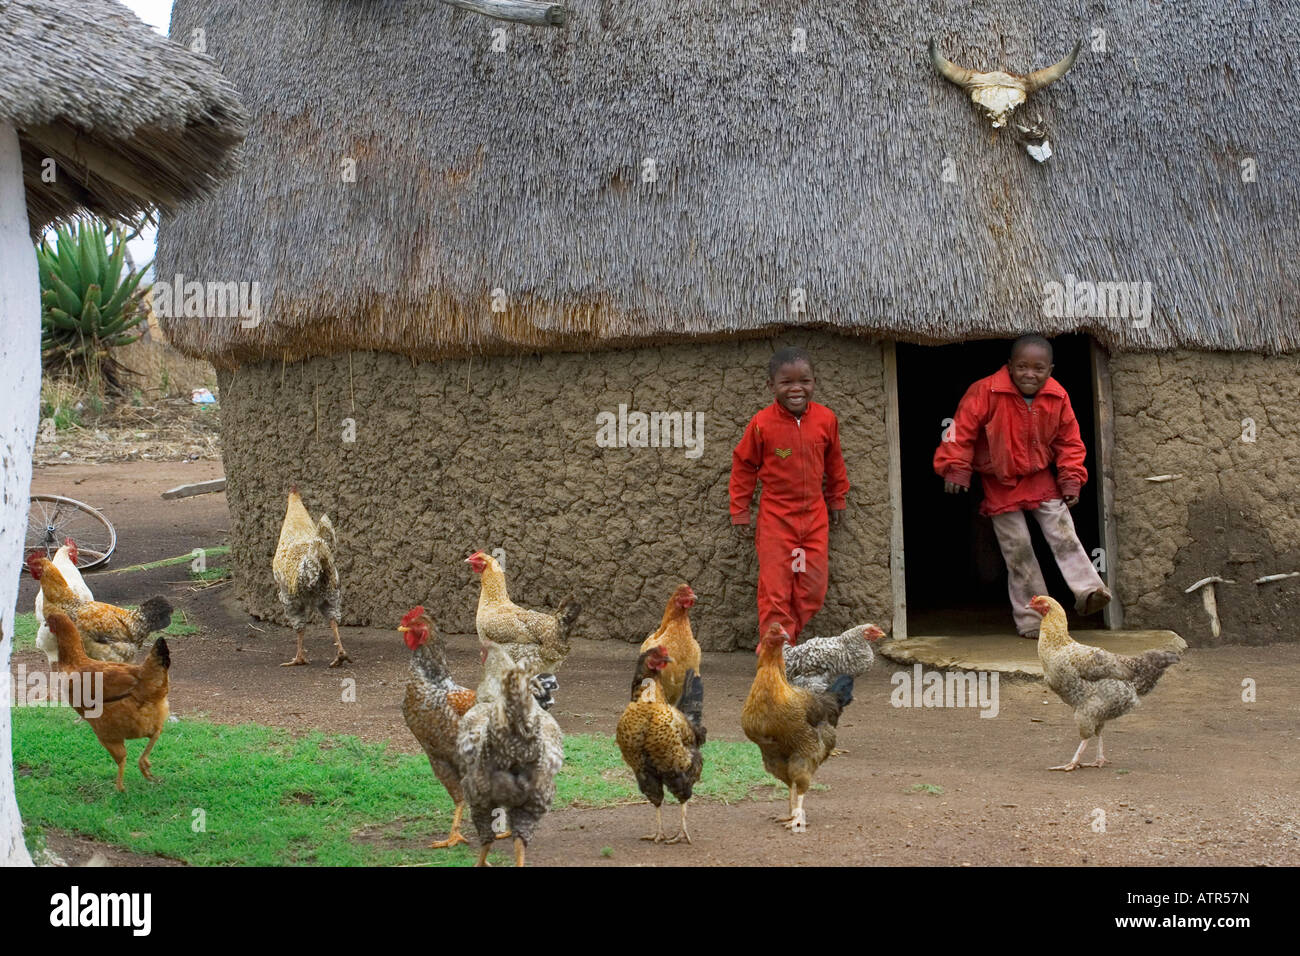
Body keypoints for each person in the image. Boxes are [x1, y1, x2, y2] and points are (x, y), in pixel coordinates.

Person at [934, 334, 1110, 637]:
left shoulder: (1058, 397)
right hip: (999, 482)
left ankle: (1089, 590)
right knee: (1019, 550)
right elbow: (959, 432)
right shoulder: (984, 391)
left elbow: (1070, 442)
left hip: (1040, 477)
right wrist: (956, 468)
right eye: (1022, 367)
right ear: (1009, 366)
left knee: (1063, 534)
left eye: (1038, 368)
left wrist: (1070, 478)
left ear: (1051, 369)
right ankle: (1033, 620)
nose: (1030, 374)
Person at [730, 347, 849, 641]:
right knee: (775, 588)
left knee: (813, 587)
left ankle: (787, 637)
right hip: (776, 519)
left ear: (815, 382)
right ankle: (778, 652)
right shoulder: (761, 424)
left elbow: (835, 463)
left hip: (814, 518)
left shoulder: (826, 419)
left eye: (804, 381)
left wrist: (837, 497)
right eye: (786, 383)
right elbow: (744, 465)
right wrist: (740, 510)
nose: (796, 389)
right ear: (771, 386)